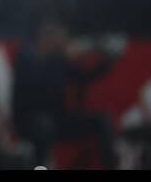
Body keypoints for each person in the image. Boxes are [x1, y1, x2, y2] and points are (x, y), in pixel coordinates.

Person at [11, 17, 119, 169]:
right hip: (30, 120)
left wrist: (108, 61)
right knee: (44, 126)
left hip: (58, 119)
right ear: (46, 35)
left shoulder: (59, 59)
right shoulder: (26, 56)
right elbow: (35, 84)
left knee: (102, 120)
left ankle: (112, 166)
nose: (64, 40)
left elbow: (84, 76)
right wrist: (58, 59)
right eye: (60, 36)